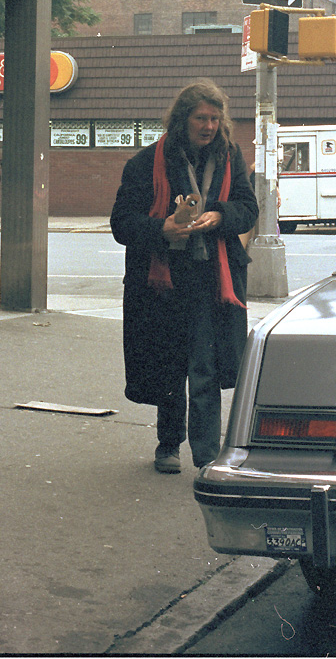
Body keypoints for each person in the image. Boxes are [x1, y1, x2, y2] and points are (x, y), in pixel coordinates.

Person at [110, 80, 258, 474]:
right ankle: (168, 445)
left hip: (213, 279)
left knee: (205, 367)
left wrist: (221, 216)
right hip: (163, 283)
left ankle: (207, 454)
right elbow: (122, 224)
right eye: (200, 118)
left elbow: (248, 207)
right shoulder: (145, 163)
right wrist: (162, 229)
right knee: (169, 365)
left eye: (215, 118)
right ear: (182, 120)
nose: (209, 126)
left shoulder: (230, 157)